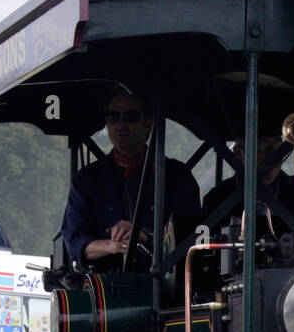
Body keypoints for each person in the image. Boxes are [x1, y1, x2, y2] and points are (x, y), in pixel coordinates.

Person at [61, 88, 200, 268]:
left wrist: (145, 235)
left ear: (148, 124)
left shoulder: (178, 176)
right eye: (113, 118)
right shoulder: (86, 180)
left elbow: (191, 235)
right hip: (104, 285)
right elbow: (75, 242)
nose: (121, 125)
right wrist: (112, 246)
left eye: (130, 117)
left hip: (164, 286)